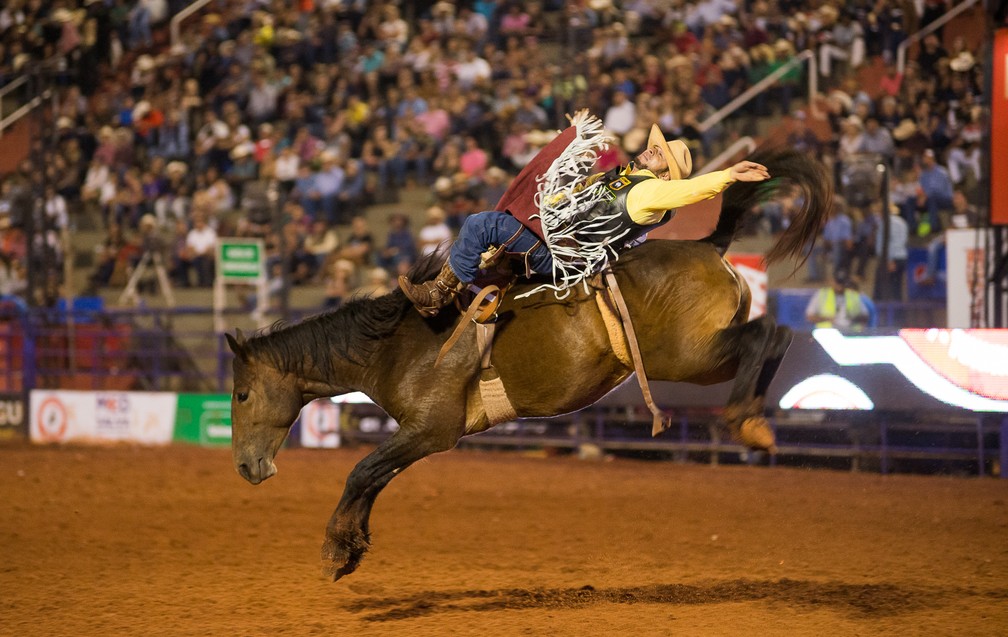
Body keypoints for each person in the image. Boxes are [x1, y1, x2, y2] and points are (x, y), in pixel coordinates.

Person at [400, 111, 770, 316]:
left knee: (482, 224)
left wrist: (726, 175)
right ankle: (474, 292)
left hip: (562, 253)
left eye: (659, 155)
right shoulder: (623, 180)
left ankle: (439, 294)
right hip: (559, 242)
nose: (650, 151)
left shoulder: (652, 193)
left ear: (664, 174)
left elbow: (690, 190)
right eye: (655, 148)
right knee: (494, 233)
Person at [805, 268, 871, 331]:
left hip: (850, 333)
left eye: (842, 283)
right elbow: (810, 316)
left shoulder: (853, 295)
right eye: (838, 282)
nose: (840, 286)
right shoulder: (822, 294)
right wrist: (827, 319)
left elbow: (865, 316)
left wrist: (853, 318)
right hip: (826, 334)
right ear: (831, 281)